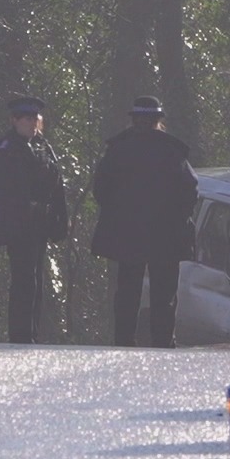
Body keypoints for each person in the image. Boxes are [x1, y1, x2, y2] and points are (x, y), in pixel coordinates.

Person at [89, 96, 198, 346]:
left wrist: (118, 215)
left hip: (127, 233)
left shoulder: (117, 150)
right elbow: (190, 190)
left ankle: (124, 341)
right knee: (164, 293)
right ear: (158, 121)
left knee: (127, 290)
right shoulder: (172, 151)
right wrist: (177, 217)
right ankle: (162, 343)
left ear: (134, 120)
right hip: (166, 234)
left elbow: (101, 190)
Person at [0, 96, 68, 343]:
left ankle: (32, 332)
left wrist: (58, 218)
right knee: (23, 279)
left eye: (35, 119)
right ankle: (20, 335)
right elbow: (10, 191)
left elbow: (56, 183)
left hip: (40, 223)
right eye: (27, 119)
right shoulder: (7, 149)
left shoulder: (42, 146)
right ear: (15, 120)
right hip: (19, 224)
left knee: (36, 279)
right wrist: (27, 210)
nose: (32, 123)